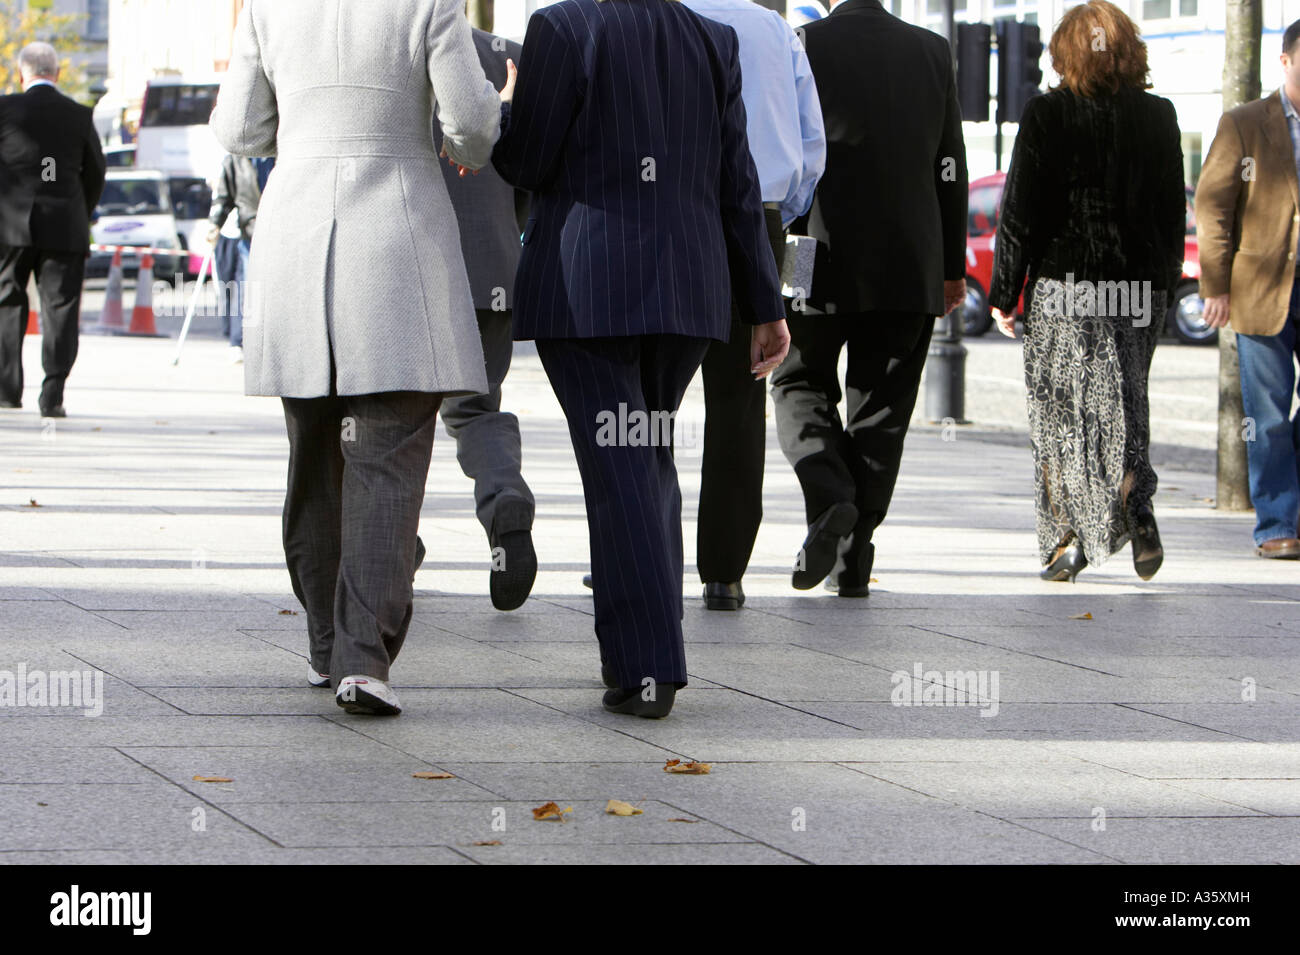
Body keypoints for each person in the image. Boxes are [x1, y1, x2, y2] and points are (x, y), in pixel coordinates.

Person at [210, 0, 509, 716]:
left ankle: (323, 645)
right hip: (397, 240)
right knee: (388, 457)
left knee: (314, 450)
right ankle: (363, 658)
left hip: (298, 236)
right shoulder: (430, 4)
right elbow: (470, 130)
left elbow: (241, 128)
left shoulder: (266, 10)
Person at [493, 0, 790, 719]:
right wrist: (765, 305)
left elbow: (526, 158)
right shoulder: (711, 38)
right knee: (646, 451)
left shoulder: (562, 28)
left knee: (621, 461)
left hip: (591, 284)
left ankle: (648, 664)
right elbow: (738, 185)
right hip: (690, 287)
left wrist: (507, 103)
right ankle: (654, 650)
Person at [770, 0, 967, 597]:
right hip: (910, 261)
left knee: (796, 381)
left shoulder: (800, 42)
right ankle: (853, 561)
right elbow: (950, 164)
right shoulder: (931, 50)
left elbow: (786, 150)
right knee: (881, 410)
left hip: (813, 252)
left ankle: (830, 495)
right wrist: (951, 266)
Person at [991, 0, 1184, 583]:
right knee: (1125, 406)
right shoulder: (1158, 115)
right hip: (1136, 288)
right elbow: (1173, 212)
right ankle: (1136, 501)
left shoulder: (1048, 114)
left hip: (1065, 289)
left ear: (1062, 54)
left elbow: (1020, 211)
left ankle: (1064, 540)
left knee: (1059, 414)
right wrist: (1165, 287)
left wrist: (1005, 290)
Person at [681, 0, 825, 612]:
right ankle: (724, 570)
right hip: (758, 216)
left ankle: (641, 543)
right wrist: (779, 212)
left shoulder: (666, 17)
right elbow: (810, 140)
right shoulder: (774, 29)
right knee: (740, 400)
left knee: (643, 394)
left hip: (672, 209)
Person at [434, 28, 538, 612]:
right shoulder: (508, 57)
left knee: (386, 423)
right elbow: (529, 169)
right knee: (476, 405)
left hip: (407, 265)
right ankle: (505, 504)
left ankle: (393, 548)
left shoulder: (383, 39)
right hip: (492, 262)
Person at [1196, 19, 1300, 560]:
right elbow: (1214, 205)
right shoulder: (1243, 123)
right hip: (1260, 288)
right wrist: (1215, 282)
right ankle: (1277, 523)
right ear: (1284, 62)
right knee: (1269, 415)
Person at [0, 42, 106, 418]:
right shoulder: (79, 114)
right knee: (60, 308)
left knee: (7, 303)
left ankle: (7, 390)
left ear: (20, 73)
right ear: (57, 74)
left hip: (10, 227)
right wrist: (81, 210)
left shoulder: (5, 110)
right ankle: (52, 393)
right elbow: (95, 171)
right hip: (64, 226)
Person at [207, 154, 275, 363]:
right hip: (250, 232)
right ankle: (240, 341)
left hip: (278, 229)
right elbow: (223, 196)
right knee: (248, 288)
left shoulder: (280, 153)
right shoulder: (234, 161)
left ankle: (273, 342)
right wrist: (214, 223)